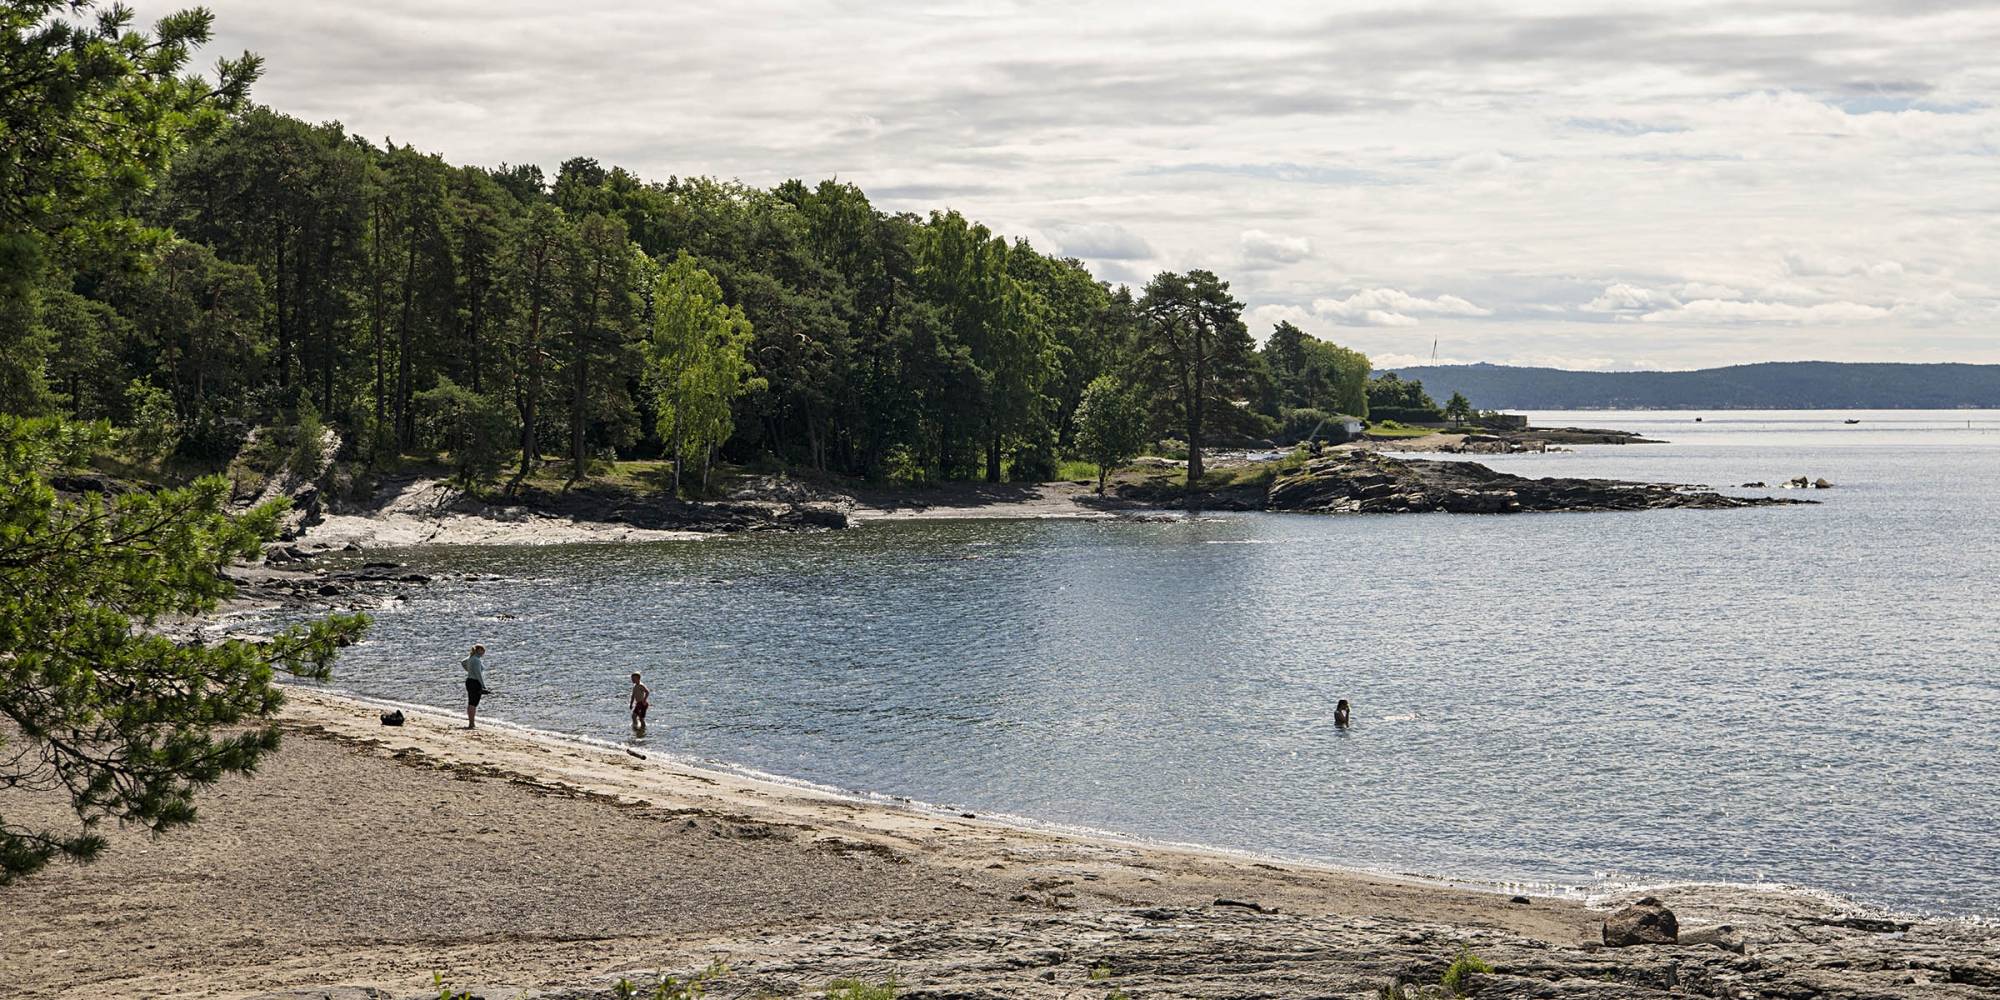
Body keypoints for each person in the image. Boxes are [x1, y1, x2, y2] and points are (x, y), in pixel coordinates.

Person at [463, 644, 488, 729]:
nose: (484, 652)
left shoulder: (470, 658)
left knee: (471, 703)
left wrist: (469, 670)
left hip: (469, 681)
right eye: (482, 650)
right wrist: (483, 685)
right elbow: (478, 674)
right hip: (475, 682)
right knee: (474, 703)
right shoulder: (476, 660)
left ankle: (471, 723)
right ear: (478, 650)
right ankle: (471, 724)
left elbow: (463, 662)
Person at [629, 671, 650, 736]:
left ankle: (643, 729)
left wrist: (644, 700)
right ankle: (636, 726)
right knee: (633, 716)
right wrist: (631, 703)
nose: (632, 680)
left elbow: (647, 692)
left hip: (643, 704)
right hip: (638, 704)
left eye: (633, 679)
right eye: (632, 679)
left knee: (641, 718)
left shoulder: (641, 685)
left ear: (638, 678)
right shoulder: (635, 686)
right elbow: (633, 696)